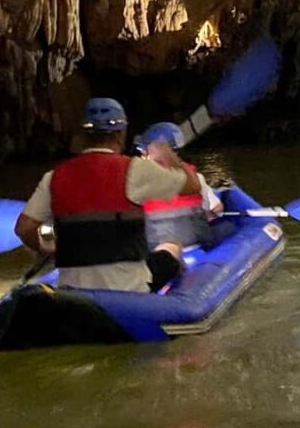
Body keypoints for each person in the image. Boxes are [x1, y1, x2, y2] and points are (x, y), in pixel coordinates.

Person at [14, 98, 201, 293]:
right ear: (121, 134)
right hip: (130, 288)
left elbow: (24, 228)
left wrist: (47, 248)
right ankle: (180, 293)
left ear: (84, 135)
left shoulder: (53, 177)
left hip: (73, 289)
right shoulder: (135, 169)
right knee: (171, 246)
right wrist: (169, 155)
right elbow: (193, 186)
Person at [135, 122, 224, 270]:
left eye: (142, 149)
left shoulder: (134, 180)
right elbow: (216, 208)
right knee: (225, 227)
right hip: (195, 244)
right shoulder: (195, 178)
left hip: (158, 252)